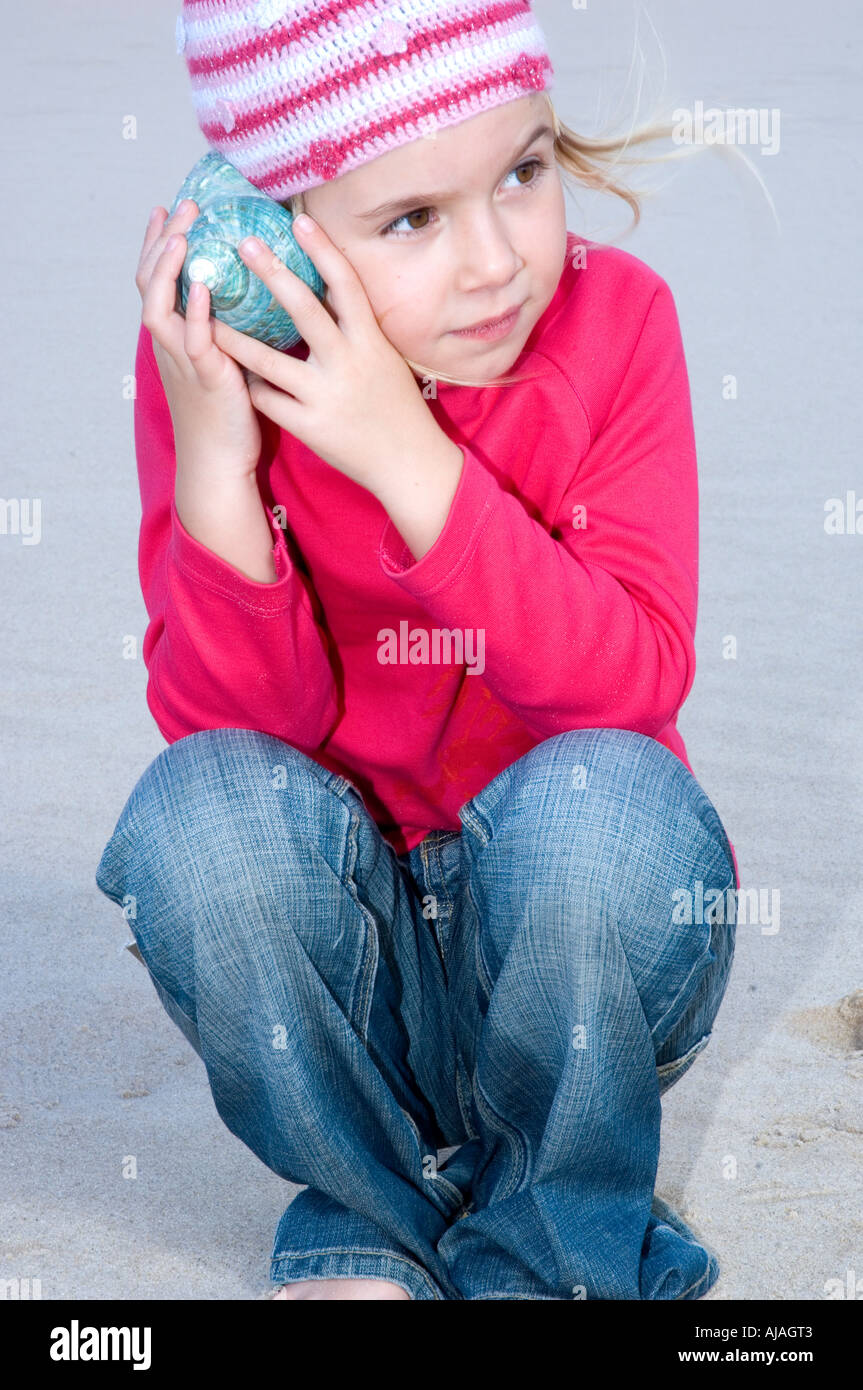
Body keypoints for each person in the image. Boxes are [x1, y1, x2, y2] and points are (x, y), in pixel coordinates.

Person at [96, 0, 740, 1301]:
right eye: (413, 220)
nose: (497, 259)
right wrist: (221, 467)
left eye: (523, 170)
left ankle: (549, 1236)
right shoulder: (221, 380)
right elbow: (233, 747)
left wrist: (413, 466)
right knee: (194, 819)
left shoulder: (618, 327)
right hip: (357, 987)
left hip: (578, 946)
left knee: (607, 804)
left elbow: (629, 684)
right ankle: (370, 1211)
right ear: (273, 232)